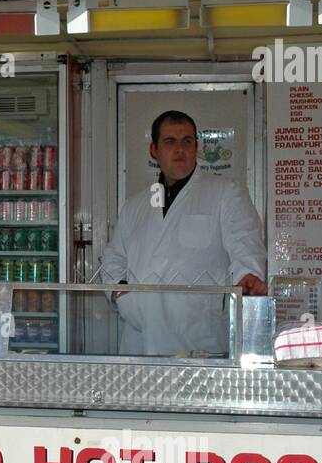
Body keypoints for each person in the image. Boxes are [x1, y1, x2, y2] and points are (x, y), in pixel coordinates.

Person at [101, 109, 267, 356]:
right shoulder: (134, 206)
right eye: (170, 142)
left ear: (196, 147)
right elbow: (113, 259)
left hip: (199, 340)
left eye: (187, 141)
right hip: (140, 341)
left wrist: (248, 276)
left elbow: (245, 243)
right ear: (154, 150)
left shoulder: (225, 193)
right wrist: (122, 296)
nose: (180, 149)